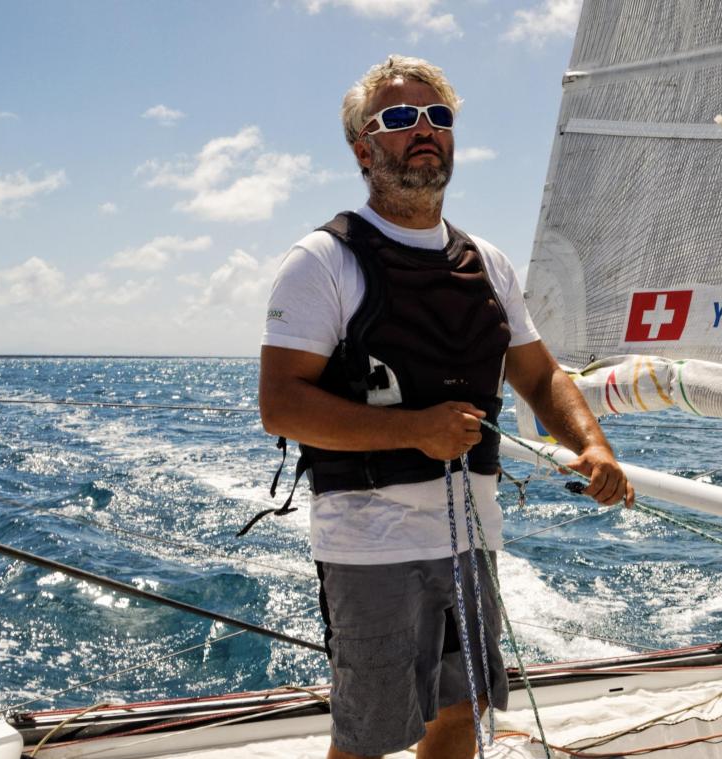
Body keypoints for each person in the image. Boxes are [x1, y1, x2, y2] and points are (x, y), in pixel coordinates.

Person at [258, 55, 633, 759]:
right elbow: (280, 405)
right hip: (371, 547)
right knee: (369, 738)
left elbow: (540, 372)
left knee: (461, 713)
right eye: (400, 118)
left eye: (439, 117)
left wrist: (594, 444)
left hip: (471, 538)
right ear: (364, 149)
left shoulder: (487, 262)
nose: (423, 129)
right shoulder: (321, 261)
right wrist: (414, 430)